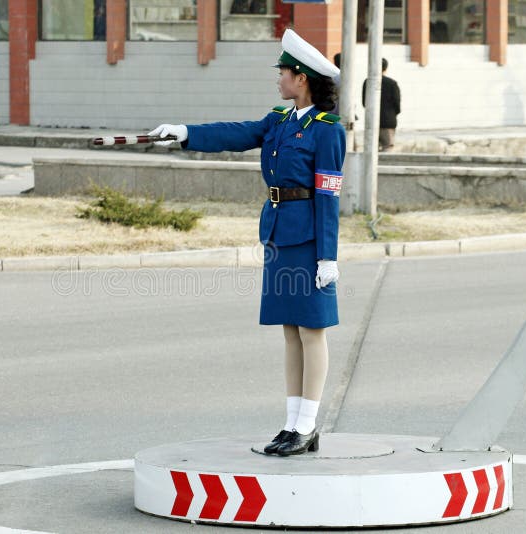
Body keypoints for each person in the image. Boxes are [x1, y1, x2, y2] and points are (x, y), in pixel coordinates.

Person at [149, 29, 345, 457]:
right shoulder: (279, 121)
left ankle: (309, 426)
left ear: (303, 79)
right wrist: (185, 132)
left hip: (310, 240)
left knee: (313, 332)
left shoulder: (327, 130)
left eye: (284, 72)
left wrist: (328, 255)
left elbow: (328, 194)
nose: (278, 78)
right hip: (279, 232)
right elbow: (234, 133)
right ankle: (292, 424)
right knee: (290, 332)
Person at [362, 57, 400, 151]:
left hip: (371, 120)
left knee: (371, 148)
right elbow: (397, 104)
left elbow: (364, 102)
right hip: (388, 121)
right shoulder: (392, 83)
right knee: (388, 147)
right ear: (386, 68)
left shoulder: (367, 82)